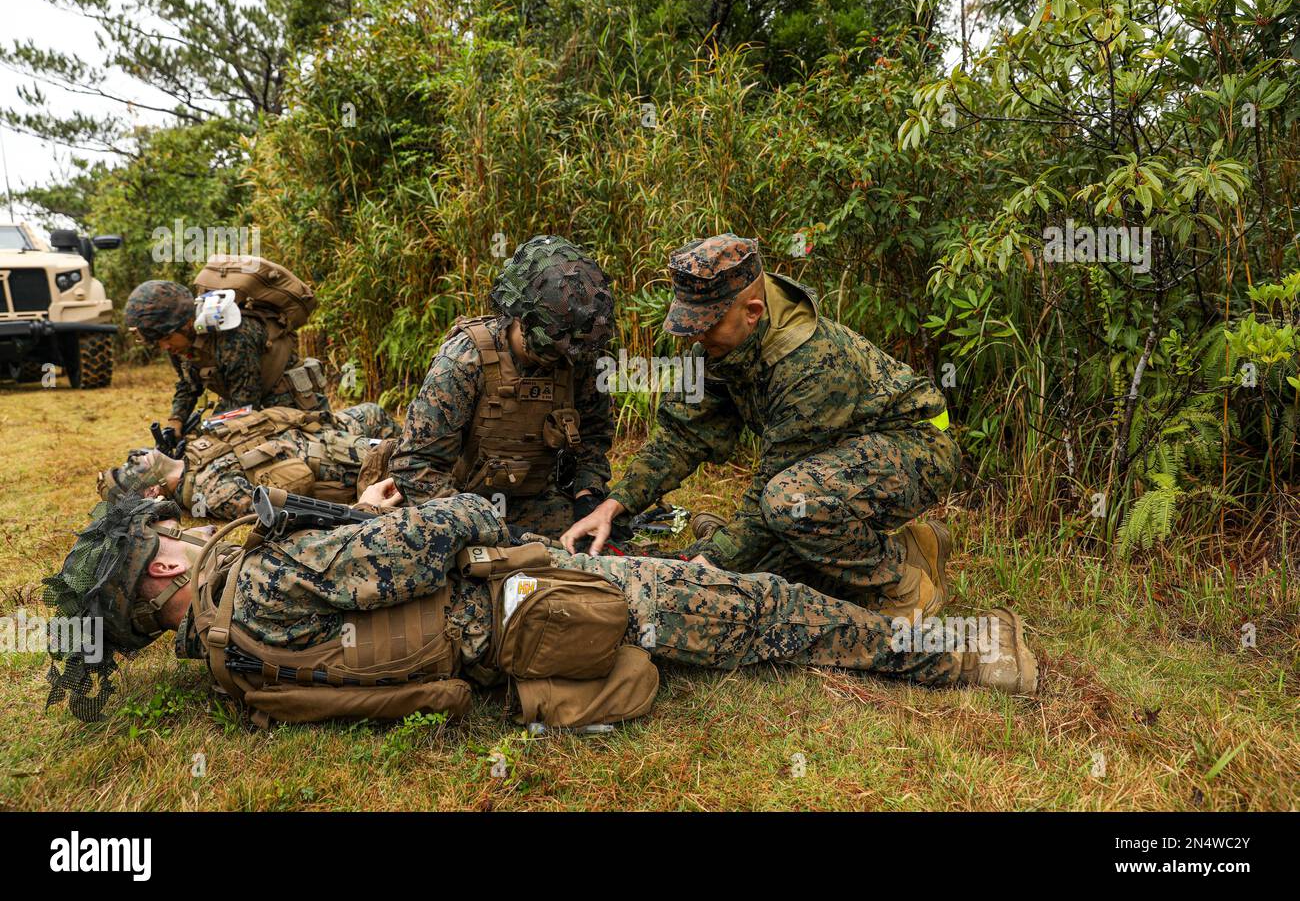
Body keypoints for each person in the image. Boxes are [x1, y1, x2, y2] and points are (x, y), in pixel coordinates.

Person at [41, 486, 1038, 728]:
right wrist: (437, 508)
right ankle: (968, 652)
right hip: (526, 601)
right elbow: (450, 527)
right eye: (162, 540)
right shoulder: (260, 579)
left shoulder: (225, 661)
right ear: (158, 575)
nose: (177, 533)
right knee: (759, 606)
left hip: (496, 645)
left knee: (720, 604)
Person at [562, 234, 960, 619]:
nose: (696, 336)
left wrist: (711, 559)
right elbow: (681, 436)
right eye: (690, 322)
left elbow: (774, 489)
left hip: (916, 446)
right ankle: (917, 546)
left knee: (785, 506)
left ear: (751, 311)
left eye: (706, 323)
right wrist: (613, 506)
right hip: (843, 456)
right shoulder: (725, 345)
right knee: (766, 562)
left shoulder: (811, 364)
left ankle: (901, 583)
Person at [383, 236, 615, 537]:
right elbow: (415, 465)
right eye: (554, 349)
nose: (562, 359)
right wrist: (478, 525)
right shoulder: (465, 360)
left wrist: (589, 497)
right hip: (460, 504)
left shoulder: (577, 354)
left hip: (542, 504)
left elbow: (593, 439)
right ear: (522, 319)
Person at [97, 403, 398, 520]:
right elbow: (280, 509)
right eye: (130, 470)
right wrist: (359, 508)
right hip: (336, 460)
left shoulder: (193, 451)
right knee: (406, 452)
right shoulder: (211, 492)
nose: (134, 458)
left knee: (375, 411)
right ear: (152, 493)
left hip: (317, 428)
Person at [124, 276, 329, 435]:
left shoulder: (234, 335)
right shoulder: (177, 341)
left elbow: (245, 405)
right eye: (158, 342)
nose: (165, 347)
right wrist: (175, 422)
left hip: (288, 401)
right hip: (244, 401)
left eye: (166, 338)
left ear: (187, 324)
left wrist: (202, 431)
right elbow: (188, 384)